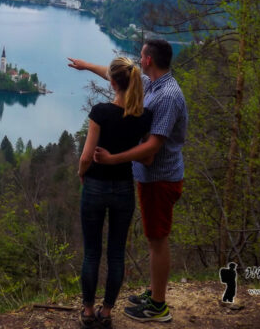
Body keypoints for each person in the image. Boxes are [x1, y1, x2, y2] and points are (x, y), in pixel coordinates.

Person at [69, 39, 187, 323]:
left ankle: (158, 304)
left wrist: (109, 159)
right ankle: (142, 297)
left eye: (142, 53)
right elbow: (118, 75)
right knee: (141, 242)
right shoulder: (148, 90)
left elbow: (151, 149)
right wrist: (86, 66)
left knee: (157, 239)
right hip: (138, 180)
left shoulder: (167, 95)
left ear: (147, 60)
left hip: (160, 177)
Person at [74, 57, 152, 327]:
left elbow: (86, 156)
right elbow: (146, 156)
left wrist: (82, 172)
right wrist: (87, 66)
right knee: (116, 253)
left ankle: (87, 310)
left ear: (112, 82)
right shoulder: (144, 116)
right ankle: (106, 313)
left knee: (92, 252)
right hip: (123, 189)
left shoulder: (101, 112)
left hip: (95, 186)